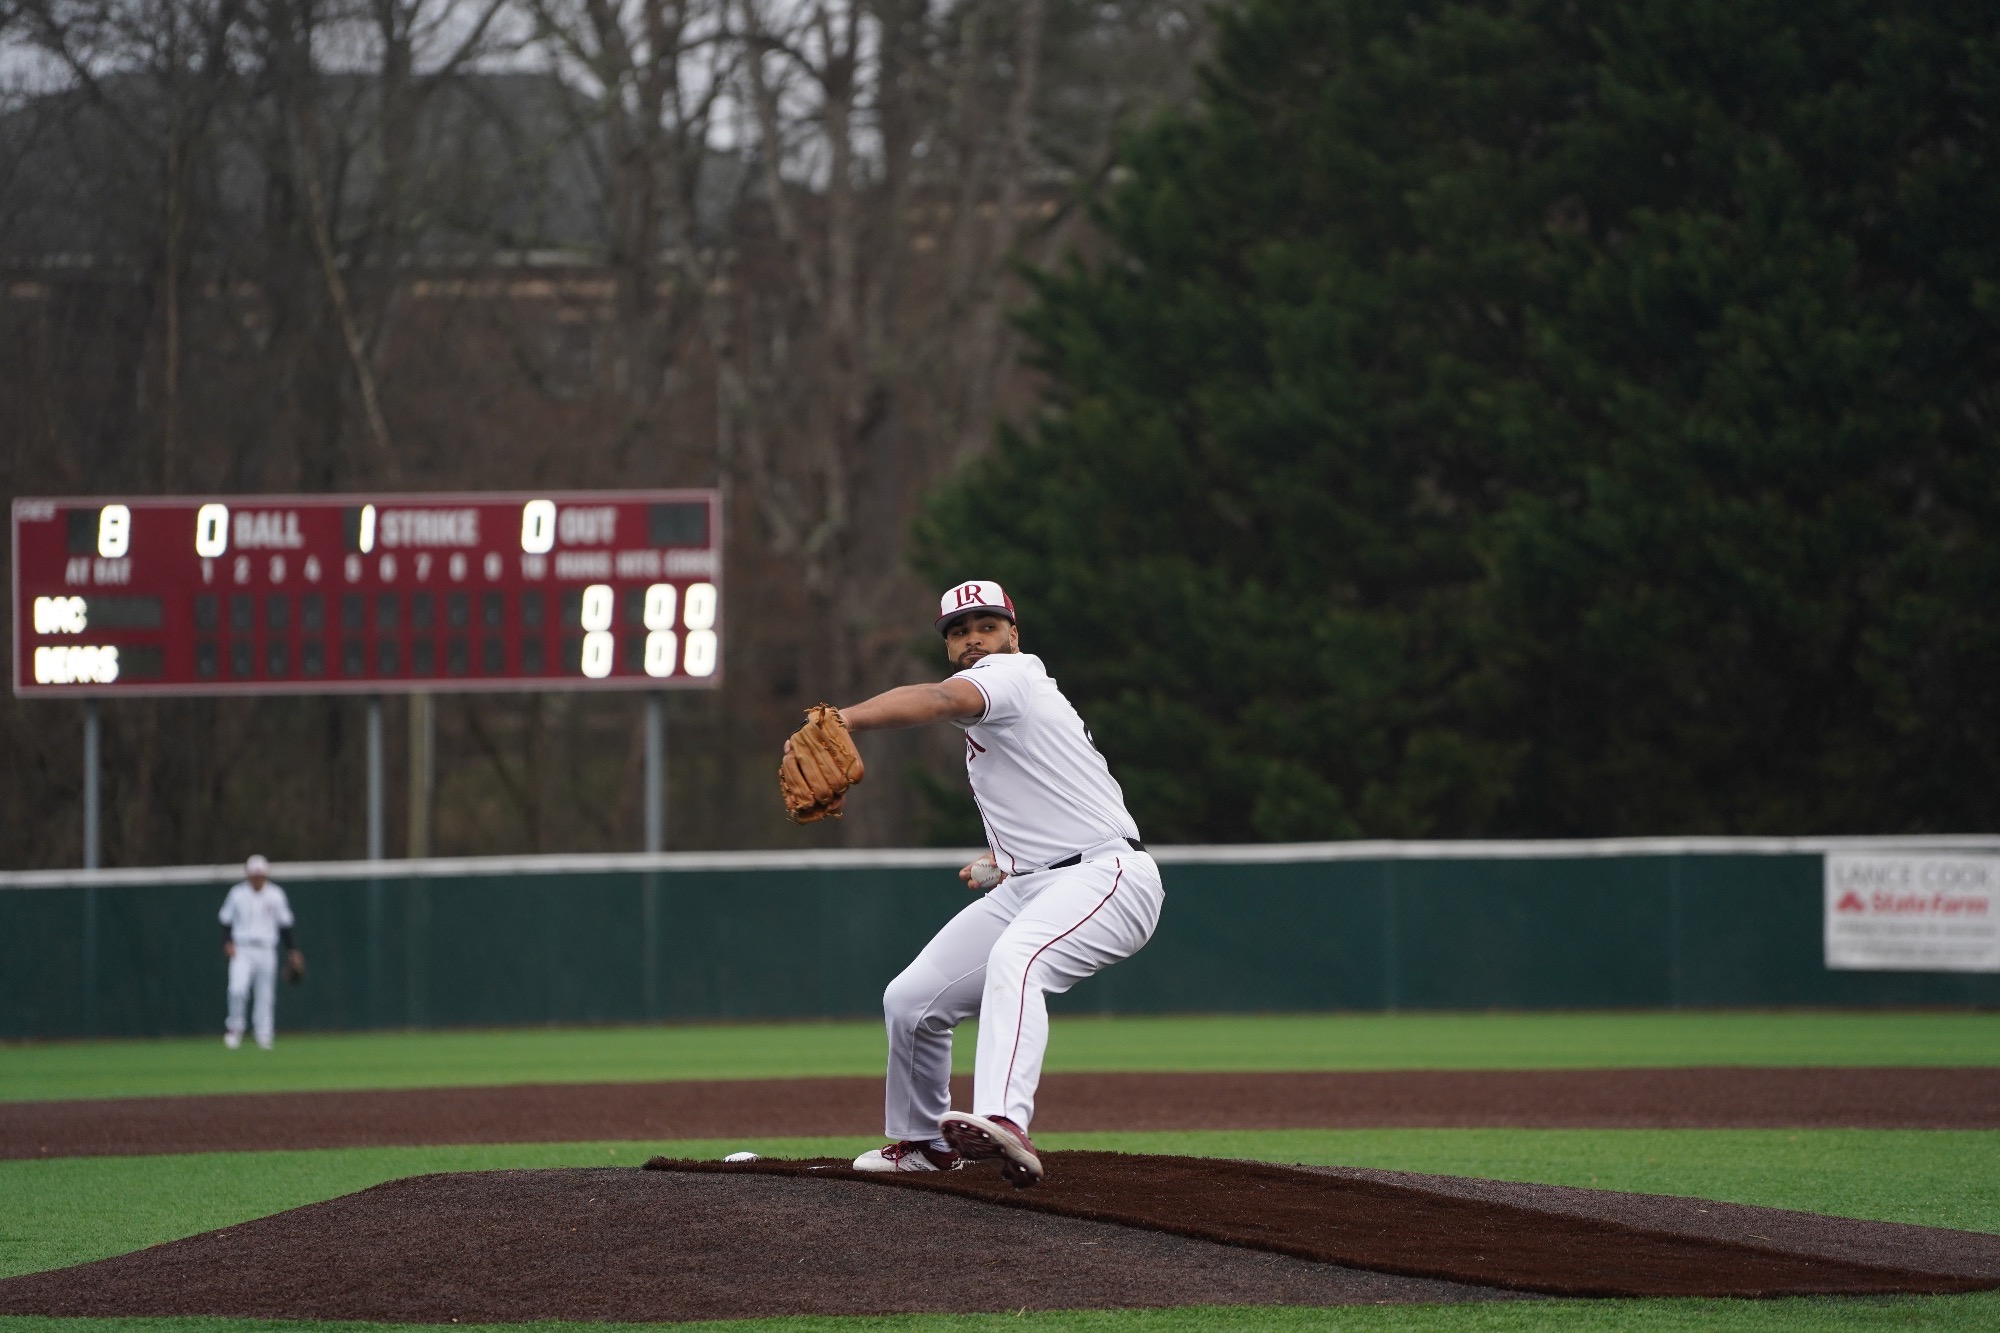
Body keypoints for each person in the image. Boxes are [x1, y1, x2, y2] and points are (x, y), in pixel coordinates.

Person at [829, 580, 1165, 1186]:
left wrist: (843, 719)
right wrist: (1008, 860)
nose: (974, 641)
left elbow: (934, 699)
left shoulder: (1012, 675)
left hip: (1109, 877)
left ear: (1013, 634)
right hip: (1038, 881)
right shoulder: (999, 711)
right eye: (960, 633)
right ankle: (925, 1143)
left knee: (1018, 957)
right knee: (911, 1002)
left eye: (987, 626)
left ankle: (1005, 1119)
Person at [218, 854, 302, 1050]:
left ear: (265, 875)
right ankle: (235, 1029)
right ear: (248, 875)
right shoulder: (237, 894)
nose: (257, 878)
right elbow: (225, 920)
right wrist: (227, 942)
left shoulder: (276, 894)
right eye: (254, 875)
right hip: (243, 947)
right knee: (237, 989)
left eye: (260, 875)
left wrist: (292, 951)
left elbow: (285, 925)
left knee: (265, 994)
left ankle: (263, 1033)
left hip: (266, 948)